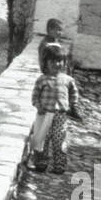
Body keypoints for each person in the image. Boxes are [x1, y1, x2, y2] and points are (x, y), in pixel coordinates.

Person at [30, 42, 82, 173]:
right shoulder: (42, 80)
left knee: (59, 139)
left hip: (60, 115)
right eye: (53, 61)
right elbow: (35, 96)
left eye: (60, 61)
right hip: (44, 114)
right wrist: (38, 105)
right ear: (45, 62)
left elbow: (74, 94)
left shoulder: (68, 80)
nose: (57, 64)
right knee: (43, 139)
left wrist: (73, 105)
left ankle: (59, 165)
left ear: (64, 63)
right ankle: (41, 163)